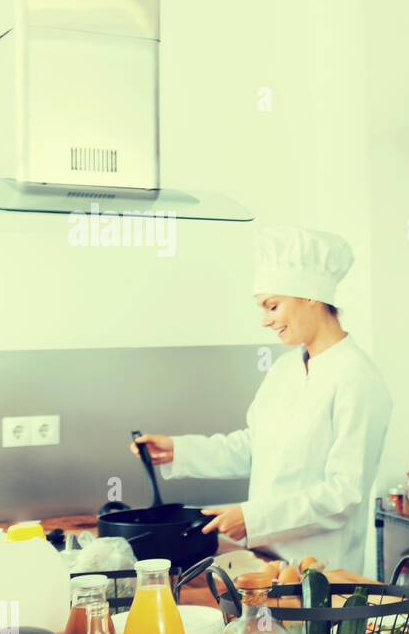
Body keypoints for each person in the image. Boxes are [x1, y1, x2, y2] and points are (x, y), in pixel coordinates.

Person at [132, 225, 392, 573]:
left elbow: (344, 495)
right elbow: (253, 447)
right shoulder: (285, 369)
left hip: (322, 574)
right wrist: (178, 450)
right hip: (267, 562)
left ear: (312, 295)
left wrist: (253, 518)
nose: (266, 321)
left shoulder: (358, 379)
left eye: (272, 306)